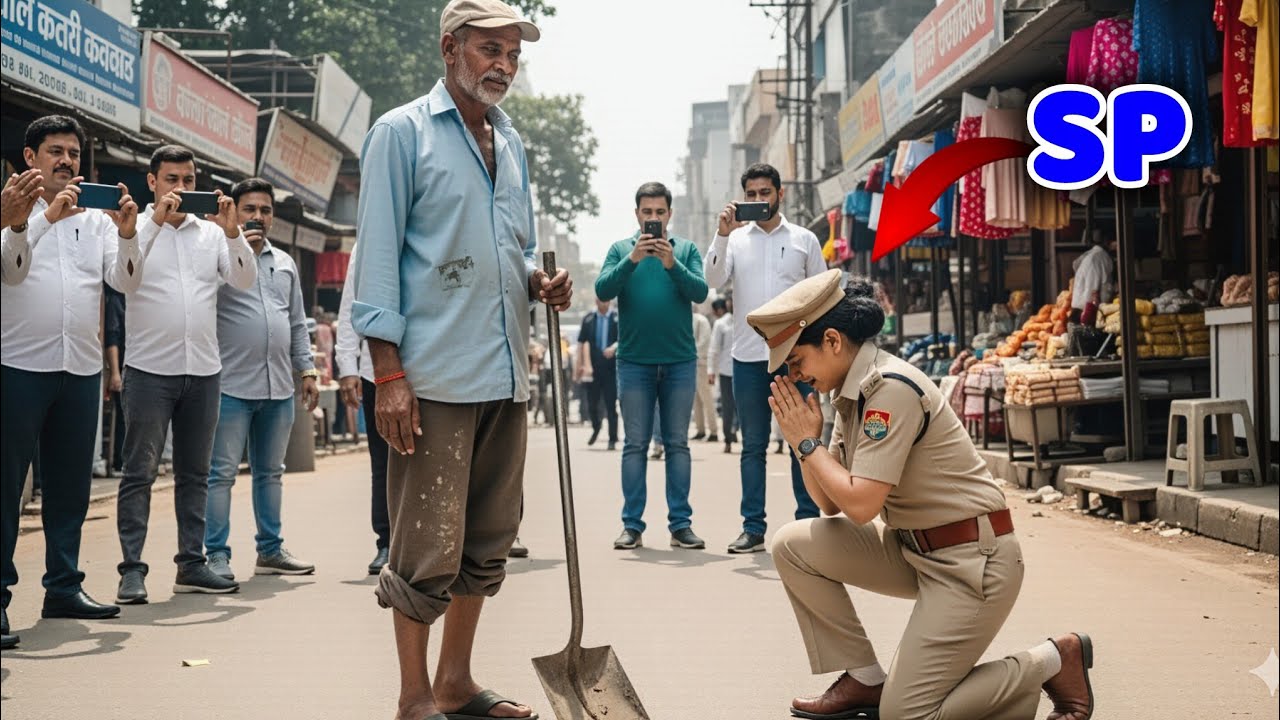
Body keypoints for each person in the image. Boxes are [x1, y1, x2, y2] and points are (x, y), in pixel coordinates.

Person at [350, 2, 569, 717]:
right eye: (489, 48)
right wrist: (389, 375)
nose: (503, 63)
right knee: (423, 547)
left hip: (504, 376)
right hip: (431, 376)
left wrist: (541, 284)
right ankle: (414, 698)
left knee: (487, 542)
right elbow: (377, 263)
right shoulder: (400, 133)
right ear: (451, 49)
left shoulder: (512, 140)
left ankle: (456, 681)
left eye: (512, 51)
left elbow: (510, 249)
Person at [749, 269, 1095, 720]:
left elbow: (859, 505)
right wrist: (803, 442)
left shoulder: (889, 389)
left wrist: (810, 444)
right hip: (916, 550)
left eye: (797, 362)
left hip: (973, 563)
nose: (796, 376)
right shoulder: (851, 391)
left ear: (832, 341)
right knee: (792, 545)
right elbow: (829, 503)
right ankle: (866, 679)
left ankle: (1052, 659)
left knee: (908, 715)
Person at [1, 115, 143, 648]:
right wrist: (37, 221)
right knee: (5, 490)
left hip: (79, 370)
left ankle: (63, 587)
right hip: (16, 366)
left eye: (73, 153)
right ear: (29, 160)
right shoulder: (10, 210)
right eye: (55, 151)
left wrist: (129, 236)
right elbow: (9, 270)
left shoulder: (100, 222)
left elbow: (125, 281)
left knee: (69, 491)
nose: (66, 161)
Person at [114, 145, 255, 604]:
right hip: (149, 371)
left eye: (188, 180)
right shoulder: (134, 227)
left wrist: (232, 234)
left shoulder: (210, 235)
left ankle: (191, 564)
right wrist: (152, 222)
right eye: (171, 179)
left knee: (196, 474)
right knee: (140, 471)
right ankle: (132, 572)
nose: (180, 188)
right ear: (152, 182)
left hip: (203, 371)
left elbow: (243, 280)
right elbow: (125, 280)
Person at [704, 162, 825, 554]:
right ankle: (753, 528)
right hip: (748, 358)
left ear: (780, 193)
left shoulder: (805, 239)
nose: (759, 200)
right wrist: (722, 235)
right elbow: (711, 280)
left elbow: (823, 297)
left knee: (802, 442)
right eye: (751, 195)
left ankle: (807, 521)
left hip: (797, 360)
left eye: (765, 193)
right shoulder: (736, 241)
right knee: (752, 446)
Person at [204, 178, 319, 582]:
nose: (258, 217)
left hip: (278, 388)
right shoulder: (214, 254)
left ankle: (270, 550)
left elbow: (297, 321)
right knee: (221, 474)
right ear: (233, 210)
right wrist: (236, 247)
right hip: (230, 386)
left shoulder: (285, 262)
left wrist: (306, 370)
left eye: (265, 210)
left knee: (271, 472)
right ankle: (215, 555)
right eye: (250, 209)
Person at [595, 181, 708, 551]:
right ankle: (632, 525)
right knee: (635, 445)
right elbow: (602, 290)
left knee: (677, 444)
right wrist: (633, 260)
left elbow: (700, 292)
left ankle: (681, 525)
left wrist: (671, 264)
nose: (654, 219)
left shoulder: (686, 250)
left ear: (669, 214)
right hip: (634, 363)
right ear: (637, 214)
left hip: (679, 361)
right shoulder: (620, 250)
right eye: (647, 212)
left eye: (660, 212)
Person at [336, 243, 394, 574]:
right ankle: (386, 542)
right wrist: (347, 366)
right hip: (378, 368)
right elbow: (350, 307)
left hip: (433, 366)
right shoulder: (369, 241)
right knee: (383, 462)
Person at [577, 297, 619, 450]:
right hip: (592, 368)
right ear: (596, 301)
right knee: (592, 404)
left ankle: (613, 438)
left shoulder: (617, 318)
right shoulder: (588, 319)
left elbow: (624, 337)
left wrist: (614, 348)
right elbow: (581, 343)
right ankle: (596, 427)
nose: (604, 303)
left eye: (607, 300)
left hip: (611, 368)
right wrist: (580, 366)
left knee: (610, 404)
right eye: (601, 300)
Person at [707, 297, 737, 453]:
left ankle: (737, 431)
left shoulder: (747, 321)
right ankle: (727, 439)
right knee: (727, 407)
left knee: (744, 407)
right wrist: (711, 371)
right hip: (726, 372)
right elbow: (713, 348)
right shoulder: (721, 324)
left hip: (745, 370)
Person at [690, 310, 718, 442]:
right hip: (690, 363)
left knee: (707, 398)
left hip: (701, 364)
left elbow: (704, 343)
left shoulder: (701, 320)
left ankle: (713, 431)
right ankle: (700, 430)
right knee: (695, 399)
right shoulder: (686, 318)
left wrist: (689, 354)